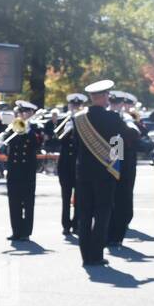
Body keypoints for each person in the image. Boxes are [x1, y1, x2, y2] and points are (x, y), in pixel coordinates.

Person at [72, 79, 124, 267]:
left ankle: (86, 255)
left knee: (84, 214)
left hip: (83, 172)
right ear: (103, 97)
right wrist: (117, 166)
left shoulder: (78, 119)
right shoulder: (113, 118)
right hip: (105, 172)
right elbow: (119, 145)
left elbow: (76, 146)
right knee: (102, 214)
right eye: (107, 95)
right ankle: (96, 254)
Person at [5, 100, 43, 242]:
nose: (21, 114)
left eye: (24, 112)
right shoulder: (12, 126)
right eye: (20, 112)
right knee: (14, 202)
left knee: (27, 202)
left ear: (32, 113)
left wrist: (29, 131)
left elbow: (39, 143)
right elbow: (5, 141)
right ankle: (16, 231)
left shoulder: (36, 128)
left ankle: (26, 232)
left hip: (27, 170)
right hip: (14, 170)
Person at [108, 92, 141, 247]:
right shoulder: (105, 116)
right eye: (113, 103)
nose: (115, 106)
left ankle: (117, 234)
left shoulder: (126, 118)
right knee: (108, 197)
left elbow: (135, 133)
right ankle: (108, 232)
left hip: (123, 160)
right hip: (108, 158)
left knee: (121, 195)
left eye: (117, 103)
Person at [57, 93, 85, 236]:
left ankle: (77, 223)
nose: (75, 107)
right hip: (65, 164)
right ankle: (66, 225)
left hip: (78, 162)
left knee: (79, 196)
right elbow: (57, 140)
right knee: (65, 196)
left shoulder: (84, 121)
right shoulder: (63, 120)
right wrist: (67, 127)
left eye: (77, 105)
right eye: (73, 105)